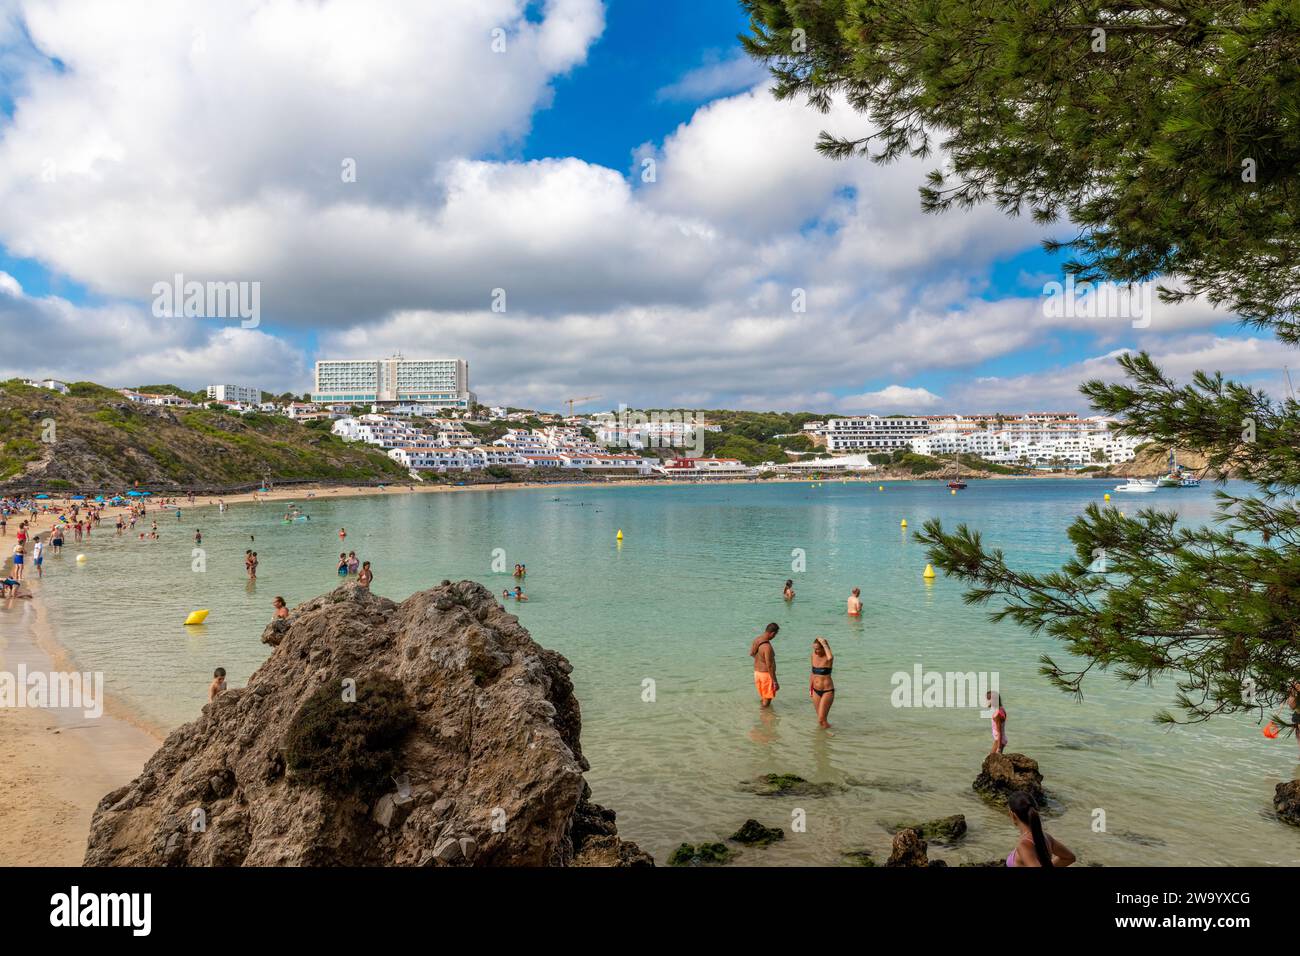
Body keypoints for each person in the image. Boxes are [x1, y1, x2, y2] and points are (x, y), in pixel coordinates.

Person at [1006, 791, 1075, 867]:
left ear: (1013, 815)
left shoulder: (1024, 845)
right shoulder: (1046, 837)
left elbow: (1069, 858)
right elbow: (1069, 858)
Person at [750, 623, 780, 707]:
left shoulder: (757, 640)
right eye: (775, 634)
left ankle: (763, 714)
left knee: (763, 696)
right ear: (773, 633)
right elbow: (769, 666)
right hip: (766, 675)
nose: (774, 637)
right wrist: (775, 681)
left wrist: (760, 660)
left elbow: (752, 653)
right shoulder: (767, 647)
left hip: (757, 673)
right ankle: (765, 717)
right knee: (767, 701)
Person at [809, 637, 834, 727]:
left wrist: (824, 643)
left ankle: (832, 732)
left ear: (824, 648)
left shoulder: (828, 659)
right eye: (814, 649)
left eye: (818, 649)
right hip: (815, 690)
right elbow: (812, 673)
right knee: (821, 719)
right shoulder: (813, 656)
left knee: (821, 719)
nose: (815, 651)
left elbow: (830, 657)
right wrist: (810, 689)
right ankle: (824, 737)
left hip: (827, 691)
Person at [988, 691, 1007, 755]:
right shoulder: (1001, 709)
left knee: (991, 758)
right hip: (1000, 739)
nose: (986, 701)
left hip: (999, 740)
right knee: (993, 759)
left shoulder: (997, 714)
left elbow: (999, 732)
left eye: (988, 699)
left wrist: (998, 748)